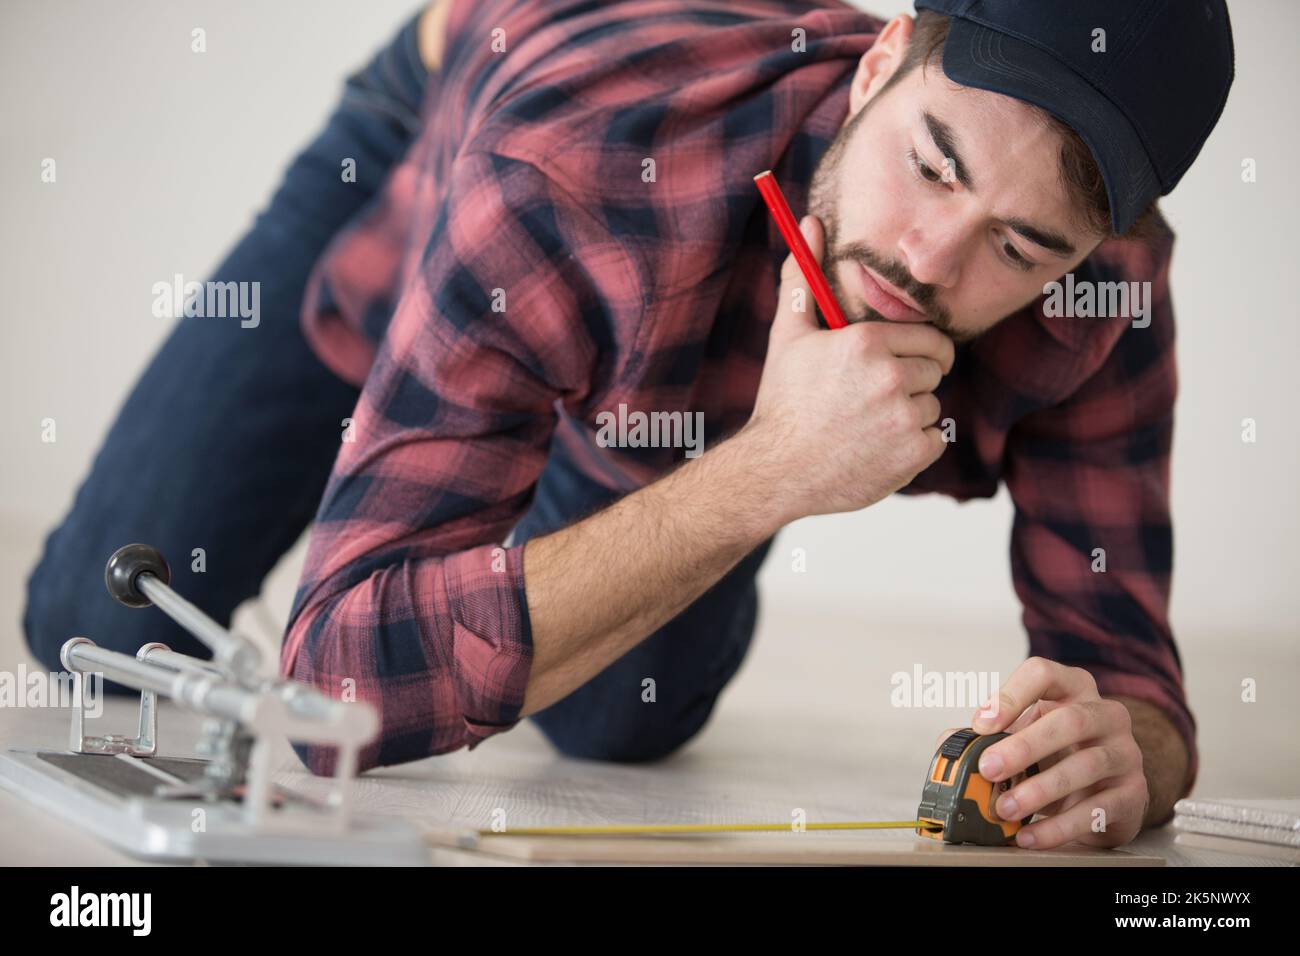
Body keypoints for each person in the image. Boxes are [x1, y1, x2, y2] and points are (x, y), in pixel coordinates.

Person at [24, 0, 1235, 850]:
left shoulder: (1104, 295)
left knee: (616, 719)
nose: (926, 259)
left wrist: (1131, 755)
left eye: (1018, 248)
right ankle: (484, 354)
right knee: (87, 616)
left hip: (631, 272)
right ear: (879, 68)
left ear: (1092, 252)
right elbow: (337, 681)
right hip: (468, 114)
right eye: (932, 165)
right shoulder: (566, 165)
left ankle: (535, 388)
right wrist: (765, 473)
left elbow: (1133, 680)